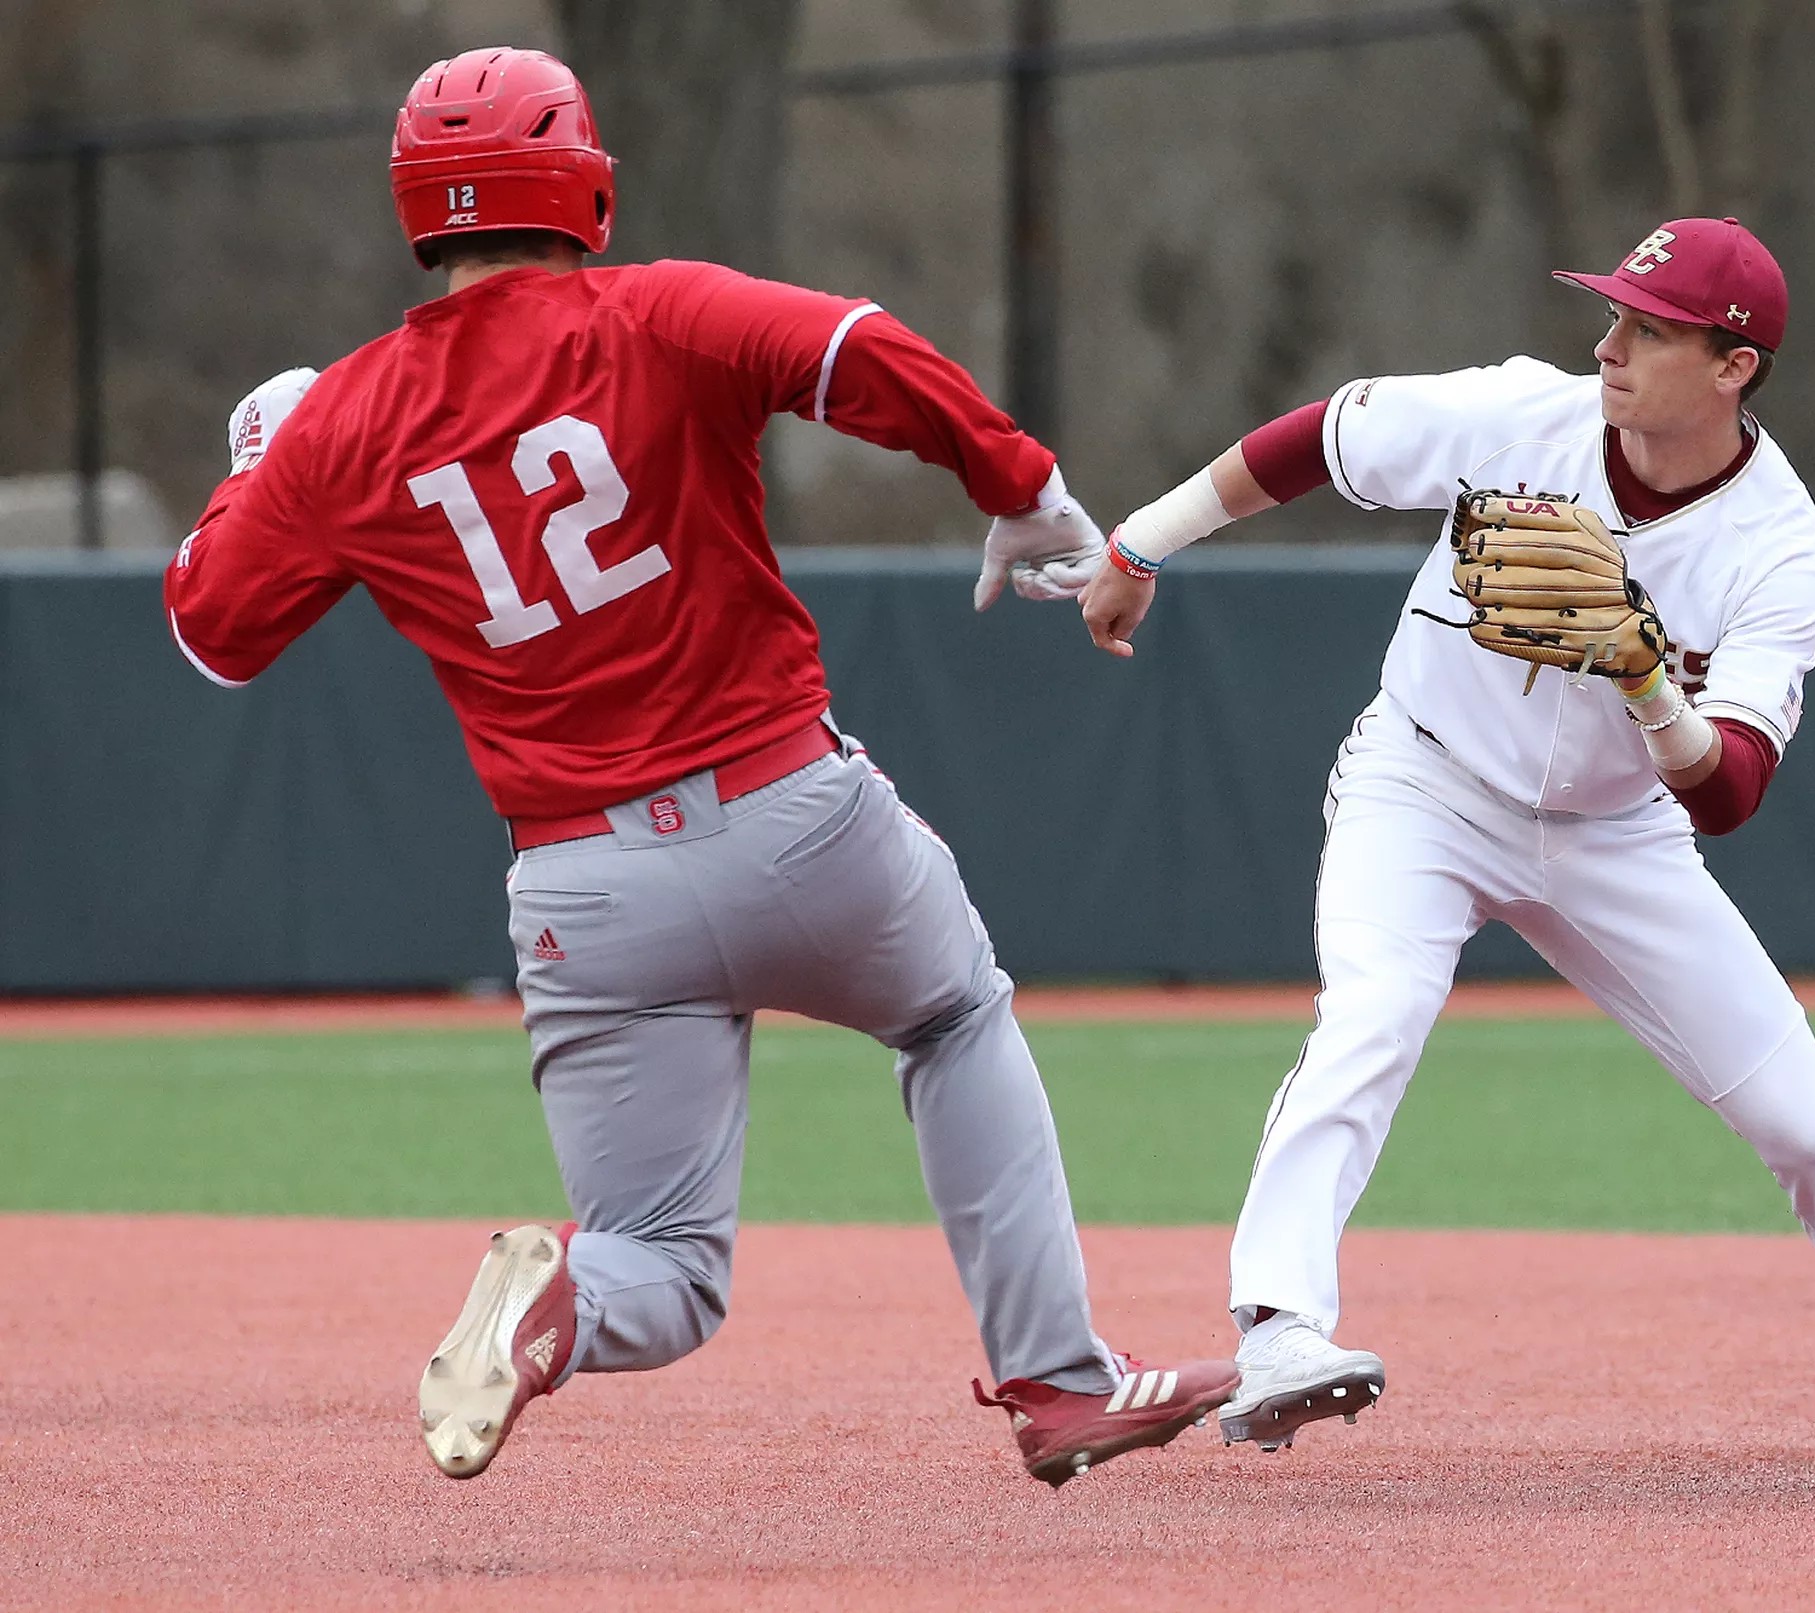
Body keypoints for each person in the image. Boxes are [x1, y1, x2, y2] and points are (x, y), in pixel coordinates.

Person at [163, 46, 1235, 1487]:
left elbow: (213, 632)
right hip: (796, 817)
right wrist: (1022, 486)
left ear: (422, 210)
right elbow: (863, 350)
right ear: (584, 182)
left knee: (662, 1266)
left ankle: (554, 1310)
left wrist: (262, 457)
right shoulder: (656, 309)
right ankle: (1055, 1378)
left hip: (584, 891)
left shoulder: (345, 419)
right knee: (954, 1017)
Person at [1078, 217, 1815, 1490]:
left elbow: (1730, 791)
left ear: (1732, 366)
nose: (1610, 344)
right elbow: (1317, 437)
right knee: (1371, 1012)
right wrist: (1143, 539)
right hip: (1421, 779)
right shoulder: (1520, 415)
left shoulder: (1776, 545)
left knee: (1812, 1124)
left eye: (1649, 328)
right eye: (1612, 314)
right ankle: (1276, 1329)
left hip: (1615, 833)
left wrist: (1645, 677)